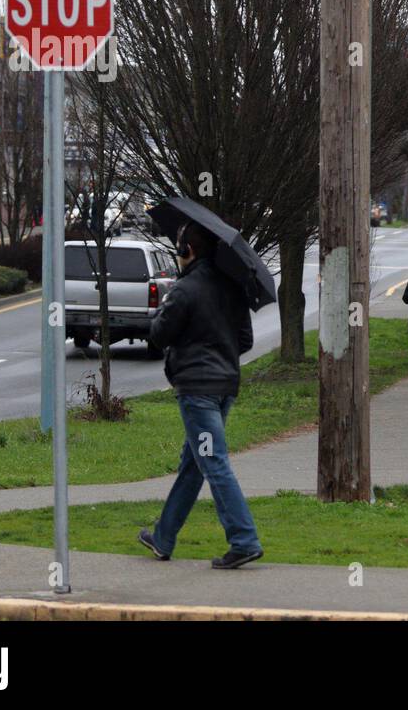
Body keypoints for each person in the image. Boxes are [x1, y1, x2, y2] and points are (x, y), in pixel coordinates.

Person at [137, 221, 263, 569]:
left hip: (197, 392)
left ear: (186, 250)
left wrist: (162, 310)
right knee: (194, 464)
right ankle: (163, 538)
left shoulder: (184, 289)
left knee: (214, 463)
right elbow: (245, 341)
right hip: (224, 388)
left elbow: (160, 335)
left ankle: (244, 540)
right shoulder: (232, 287)